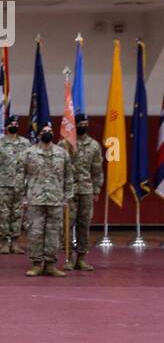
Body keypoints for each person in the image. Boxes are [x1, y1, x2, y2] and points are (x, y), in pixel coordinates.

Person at [21, 123, 74, 277]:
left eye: (50, 131)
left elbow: (68, 177)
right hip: (35, 200)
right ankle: (36, 264)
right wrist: (23, 198)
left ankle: (50, 265)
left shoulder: (62, 153)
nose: (47, 133)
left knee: (53, 234)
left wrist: (67, 197)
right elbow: (20, 176)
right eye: (44, 131)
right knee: (35, 233)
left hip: (55, 200)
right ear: (38, 135)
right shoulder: (28, 153)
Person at [0, 115, 29, 254]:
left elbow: (30, 165)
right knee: (4, 214)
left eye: (16, 123)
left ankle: (15, 242)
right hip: (4, 185)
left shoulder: (26, 143)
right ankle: (4, 242)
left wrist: (28, 186)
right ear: (6, 126)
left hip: (20, 185)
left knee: (18, 214)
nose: (14, 125)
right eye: (12, 123)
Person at [69, 113, 104, 271]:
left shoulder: (94, 145)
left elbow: (97, 169)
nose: (83, 125)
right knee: (67, 225)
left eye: (85, 122)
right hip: (69, 191)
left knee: (84, 224)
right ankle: (69, 258)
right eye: (80, 123)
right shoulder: (65, 143)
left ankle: (81, 258)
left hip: (86, 190)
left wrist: (96, 189)